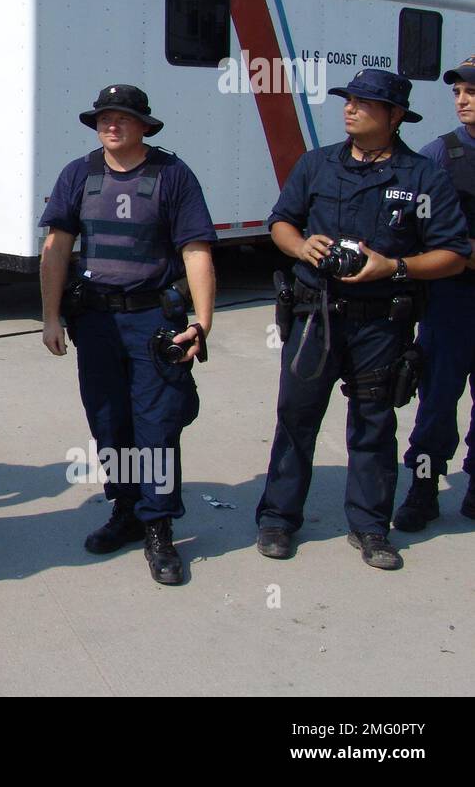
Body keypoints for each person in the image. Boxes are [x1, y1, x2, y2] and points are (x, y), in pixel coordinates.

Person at [256, 69, 470, 570]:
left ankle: (371, 527)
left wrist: (394, 266)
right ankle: (278, 519)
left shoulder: (422, 177)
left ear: (395, 117)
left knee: (374, 424)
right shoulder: (316, 165)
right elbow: (281, 222)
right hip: (315, 317)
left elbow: (453, 255)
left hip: (381, 323)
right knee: (296, 418)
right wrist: (300, 245)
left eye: (364, 103)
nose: (350, 109)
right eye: (348, 100)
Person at [39, 84, 216, 585]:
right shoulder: (79, 174)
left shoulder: (172, 175)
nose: (111, 124)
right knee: (109, 423)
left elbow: (196, 251)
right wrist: (50, 316)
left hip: (153, 322)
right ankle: (124, 509)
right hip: (94, 321)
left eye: (121, 117)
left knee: (157, 427)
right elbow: (56, 246)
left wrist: (202, 322)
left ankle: (158, 525)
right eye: (104, 117)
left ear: (143, 125)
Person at [394, 55, 475, 530]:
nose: (462, 101)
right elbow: (411, 226)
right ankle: (424, 488)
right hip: (451, 298)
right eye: (458, 93)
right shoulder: (440, 154)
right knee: (438, 398)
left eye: (471, 93)